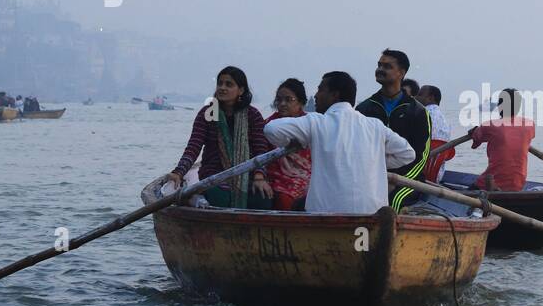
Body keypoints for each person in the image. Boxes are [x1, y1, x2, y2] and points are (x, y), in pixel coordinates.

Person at [264, 71, 415, 214]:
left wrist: (297, 140)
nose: (315, 95)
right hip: (373, 216)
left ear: (334, 95)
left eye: (320, 89)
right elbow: (407, 154)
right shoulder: (375, 126)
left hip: (326, 216)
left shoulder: (317, 123)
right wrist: (370, 161)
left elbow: (271, 130)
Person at [168, 66, 273, 209]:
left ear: (241, 90)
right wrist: (179, 172)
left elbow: (261, 150)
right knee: (220, 199)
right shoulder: (208, 113)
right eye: (220, 83)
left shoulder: (252, 115)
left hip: (246, 178)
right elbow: (194, 147)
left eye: (229, 84)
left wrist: (259, 176)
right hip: (214, 177)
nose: (222, 88)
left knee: (264, 199)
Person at [355, 49, 431, 211]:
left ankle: (388, 235)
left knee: (393, 200)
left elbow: (421, 156)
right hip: (370, 177)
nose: (380, 69)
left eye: (387, 66)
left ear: (401, 73)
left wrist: (398, 180)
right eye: (379, 65)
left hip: (409, 180)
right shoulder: (364, 109)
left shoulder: (418, 111)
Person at [467, 87, 536, 192]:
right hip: (518, 184)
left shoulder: (489, 126)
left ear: (500, 106)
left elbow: (476, 139)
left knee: (468, 192)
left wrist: (475, 131)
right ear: (518, 107)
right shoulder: (530, 125)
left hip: (493, 182)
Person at [263, 78, 313, 211]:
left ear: (301, 103)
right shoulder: (268, 125)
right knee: (285, 201)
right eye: (279, 100)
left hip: (309, 180)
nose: (282, 104)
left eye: (288, 99)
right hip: (278, 180)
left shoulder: (310, 125)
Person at [416, 84, 453, 183]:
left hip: (418, 173)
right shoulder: (446, 121)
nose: (415, 97)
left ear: (430, 98)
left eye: (419, 94)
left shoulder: (421, 114)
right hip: (437, 175)